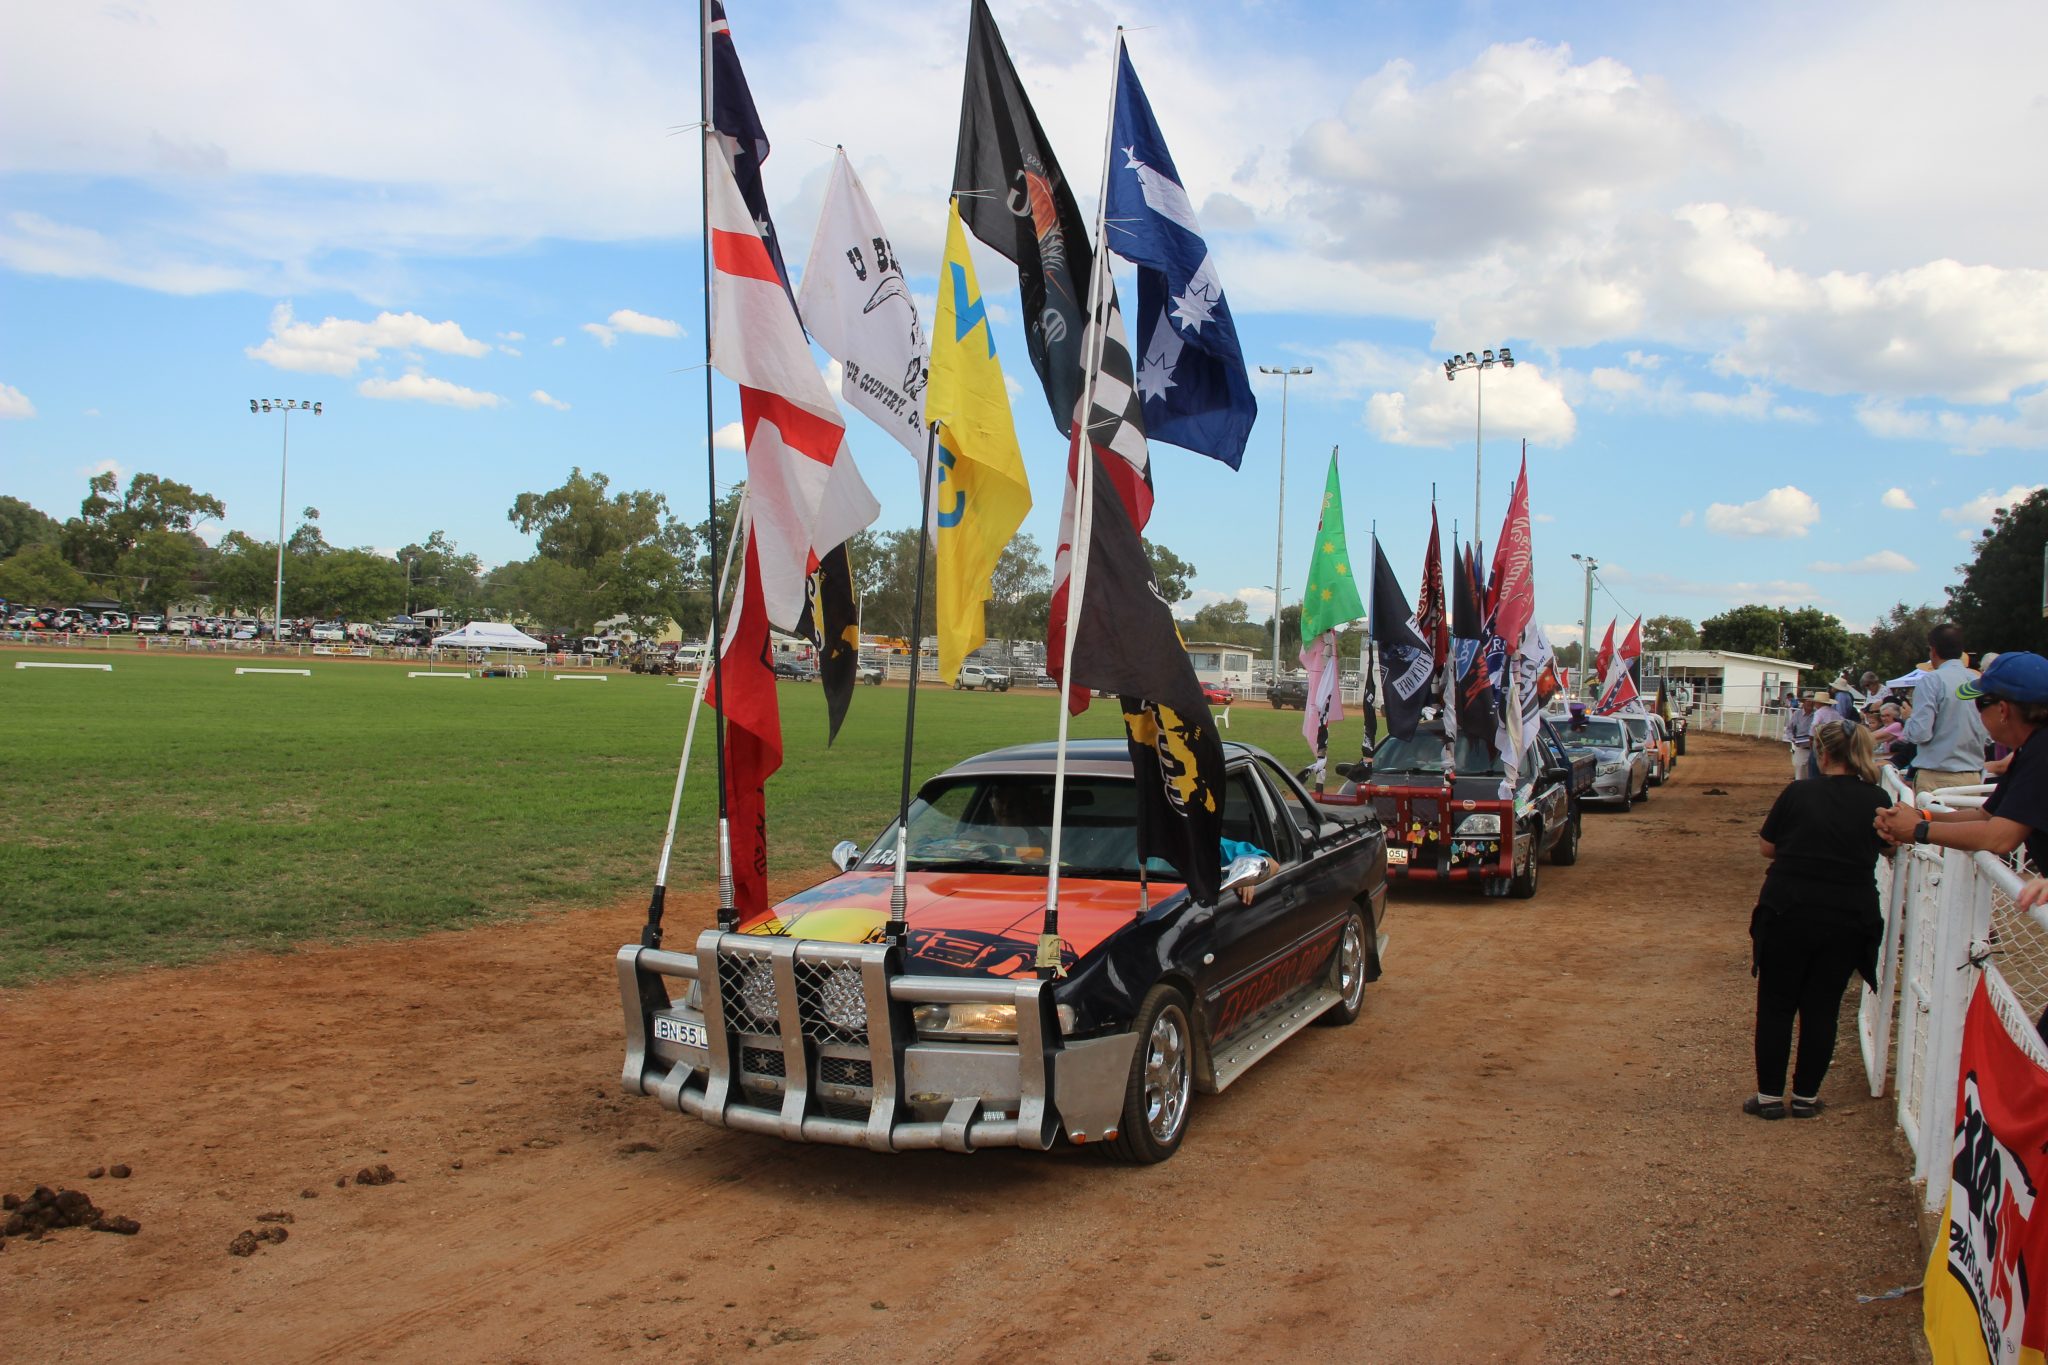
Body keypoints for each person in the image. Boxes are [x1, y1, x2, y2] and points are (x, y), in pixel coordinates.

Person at [1746, 719, 1894, 1120]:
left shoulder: (1798, 793)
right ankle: (1807, 1096)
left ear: (1822, 753)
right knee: (1822, 1006)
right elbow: (1888, 846)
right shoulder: (1876, 798)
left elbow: (1767, 847)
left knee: (1776, 1004)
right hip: (1849, 912)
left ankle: (1770, 1097)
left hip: (1788, 908)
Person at [1875, 651, 2048, 874]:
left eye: (1979, 704)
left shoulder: (2041, 751)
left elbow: (2000, 837)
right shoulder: (2032, 748)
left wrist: (1918, 829)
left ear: (2003, 709)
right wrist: (1922, 816)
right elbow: (1986, 815)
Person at [1899, 623, 1992, 798]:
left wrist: (1909, 719)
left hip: (1937, 778)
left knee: (1933, 825)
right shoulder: (1978, 682)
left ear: (1933, 650)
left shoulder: (1931, 681)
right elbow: (1988, 736)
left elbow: (1920, 734)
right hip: (1973, 779)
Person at [1782, 691, 1822, 781]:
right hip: (1801, 749)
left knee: (1814, 779)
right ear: (1804, 702)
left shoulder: (1818, 714)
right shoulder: (1797, 714)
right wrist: (1793, 739)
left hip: (1816, 750)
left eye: (1812, 701)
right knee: (1800, 777)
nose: (1810, 703)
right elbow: (1789, 729)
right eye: (1808, 701)